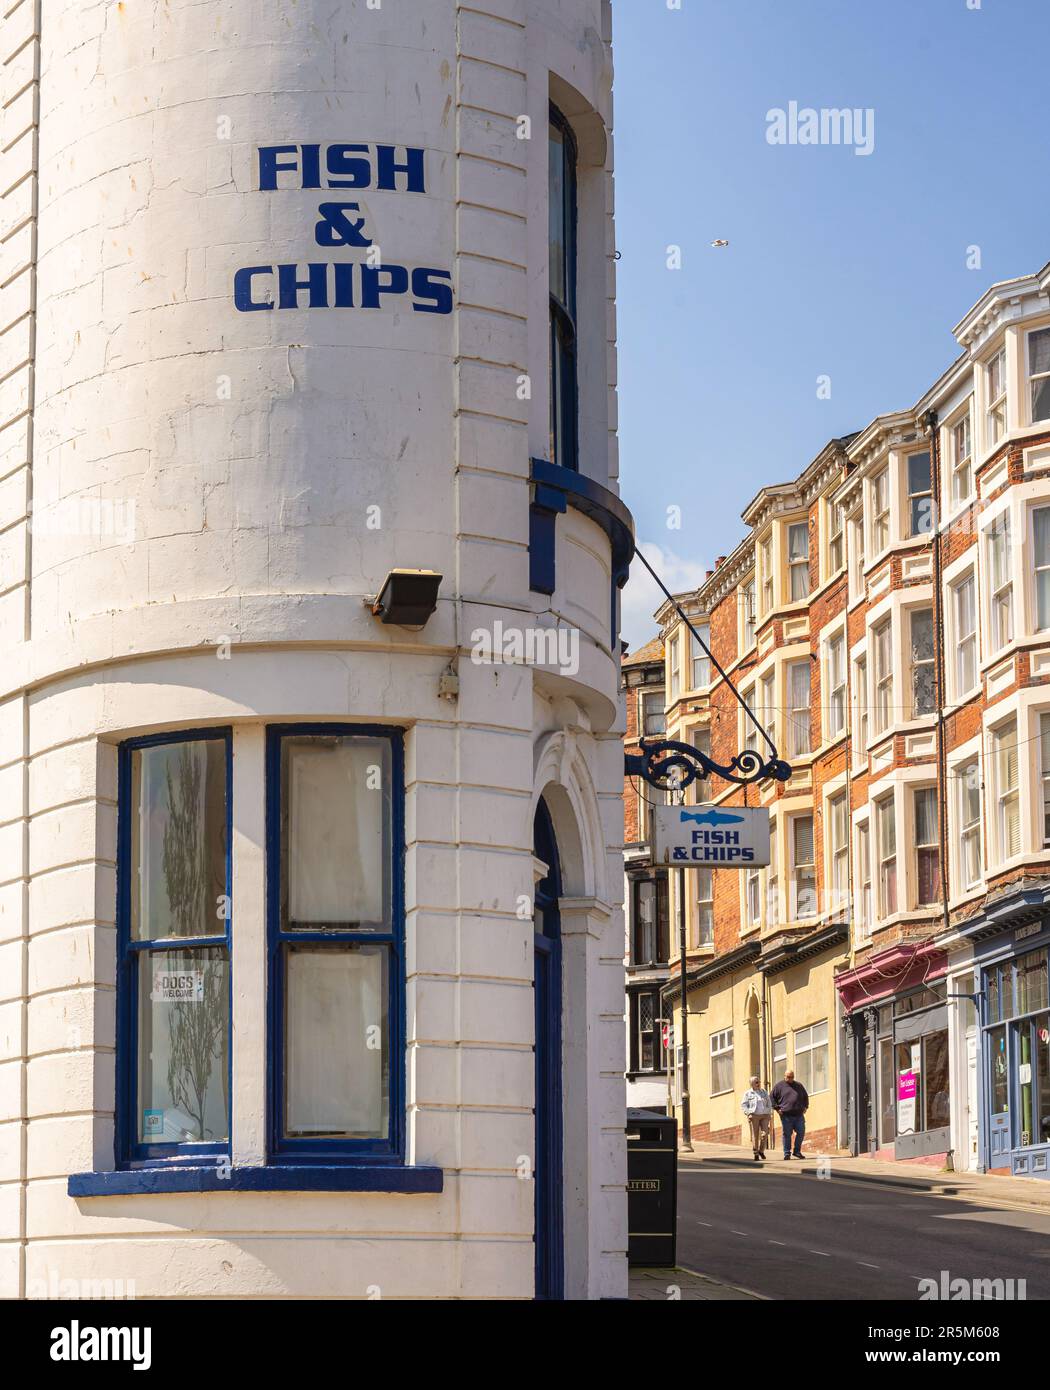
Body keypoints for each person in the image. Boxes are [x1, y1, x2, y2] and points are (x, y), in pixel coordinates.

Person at [771, 1069, 809, 1159]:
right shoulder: (779, 1086)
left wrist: (805, 1107)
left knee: (801, 1132)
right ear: (784, 1076)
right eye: (788, 1077)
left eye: (792, 1077)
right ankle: (787, 1153)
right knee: (787, 1134)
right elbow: (771, 1098)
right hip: (786, 1115)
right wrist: (777, 1108)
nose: (790, 1079)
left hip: (799, 1115)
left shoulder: (798, 1085)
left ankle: (797, 1151)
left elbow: (805, 1096)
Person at [741, 1075, 772, 1161]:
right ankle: (756, 1152)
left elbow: (769, 1103)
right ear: (752, 1084)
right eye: (756, 1082)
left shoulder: (764, 1092)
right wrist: (748, 1113)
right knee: (755, 1135)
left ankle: (761, 1150)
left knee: (764, 1134)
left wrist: (769, 1113)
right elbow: (744, 1105)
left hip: (764, 1115)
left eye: (759, 1082)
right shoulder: (748, 1093)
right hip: (754, 1115)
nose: (759, 1084)